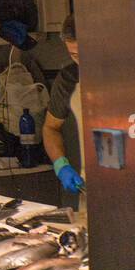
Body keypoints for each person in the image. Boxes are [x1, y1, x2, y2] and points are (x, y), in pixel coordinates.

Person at [43, 13, 85, 195]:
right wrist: (61, 166)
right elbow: (50, 128)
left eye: (86, 53)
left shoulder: (130, 71)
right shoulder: (68, 79)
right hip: (91, 181)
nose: (81, 61)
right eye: (74, 55)